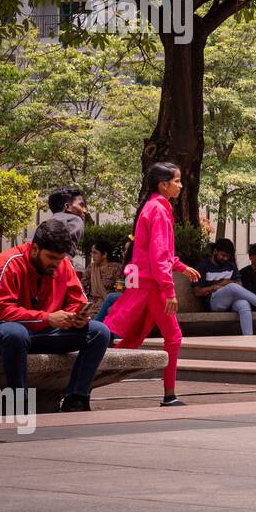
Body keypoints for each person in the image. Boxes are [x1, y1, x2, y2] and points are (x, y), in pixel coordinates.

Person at [0, 218, 111, 413]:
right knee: (16, 334)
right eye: (50, 258)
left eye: (60, 259)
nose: (56, 264)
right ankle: (20, 402)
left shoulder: (63, 264)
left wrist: (77, 316)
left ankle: (76, 399)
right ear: (34, 249)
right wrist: (47, 318)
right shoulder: (6, 264)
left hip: (40, 332)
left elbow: (78, 301)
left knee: (100, 332)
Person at [102, 162, 201, 406]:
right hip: (153, 288)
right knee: (173, 338)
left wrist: (180, 266)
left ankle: (80, 383)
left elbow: (158, 252)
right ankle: (169, 395)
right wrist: (169, 291)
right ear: (163, 185)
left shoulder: (153, 207)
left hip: (145, 286)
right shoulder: (158, 209)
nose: (180, 185)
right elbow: (158, 255)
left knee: (131, 340)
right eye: (177, 181)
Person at [194, 238, 256, 336]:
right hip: (213, 302)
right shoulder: (203, 266)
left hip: (231, 302)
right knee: (232, 287)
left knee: (244, 304)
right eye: (222, 255)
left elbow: (239, 285)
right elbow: (197, 291)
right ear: (215, 251)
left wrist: (226, 284)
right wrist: (215, 287)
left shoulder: (230, 266)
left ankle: (248, 340)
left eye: (227, 256)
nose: (225, 259)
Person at [47, 187, 87, 271]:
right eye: (81, 205)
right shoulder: (75, 220)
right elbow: (64, 254)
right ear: (67, 206)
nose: (85, 210)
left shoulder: (48, 223)